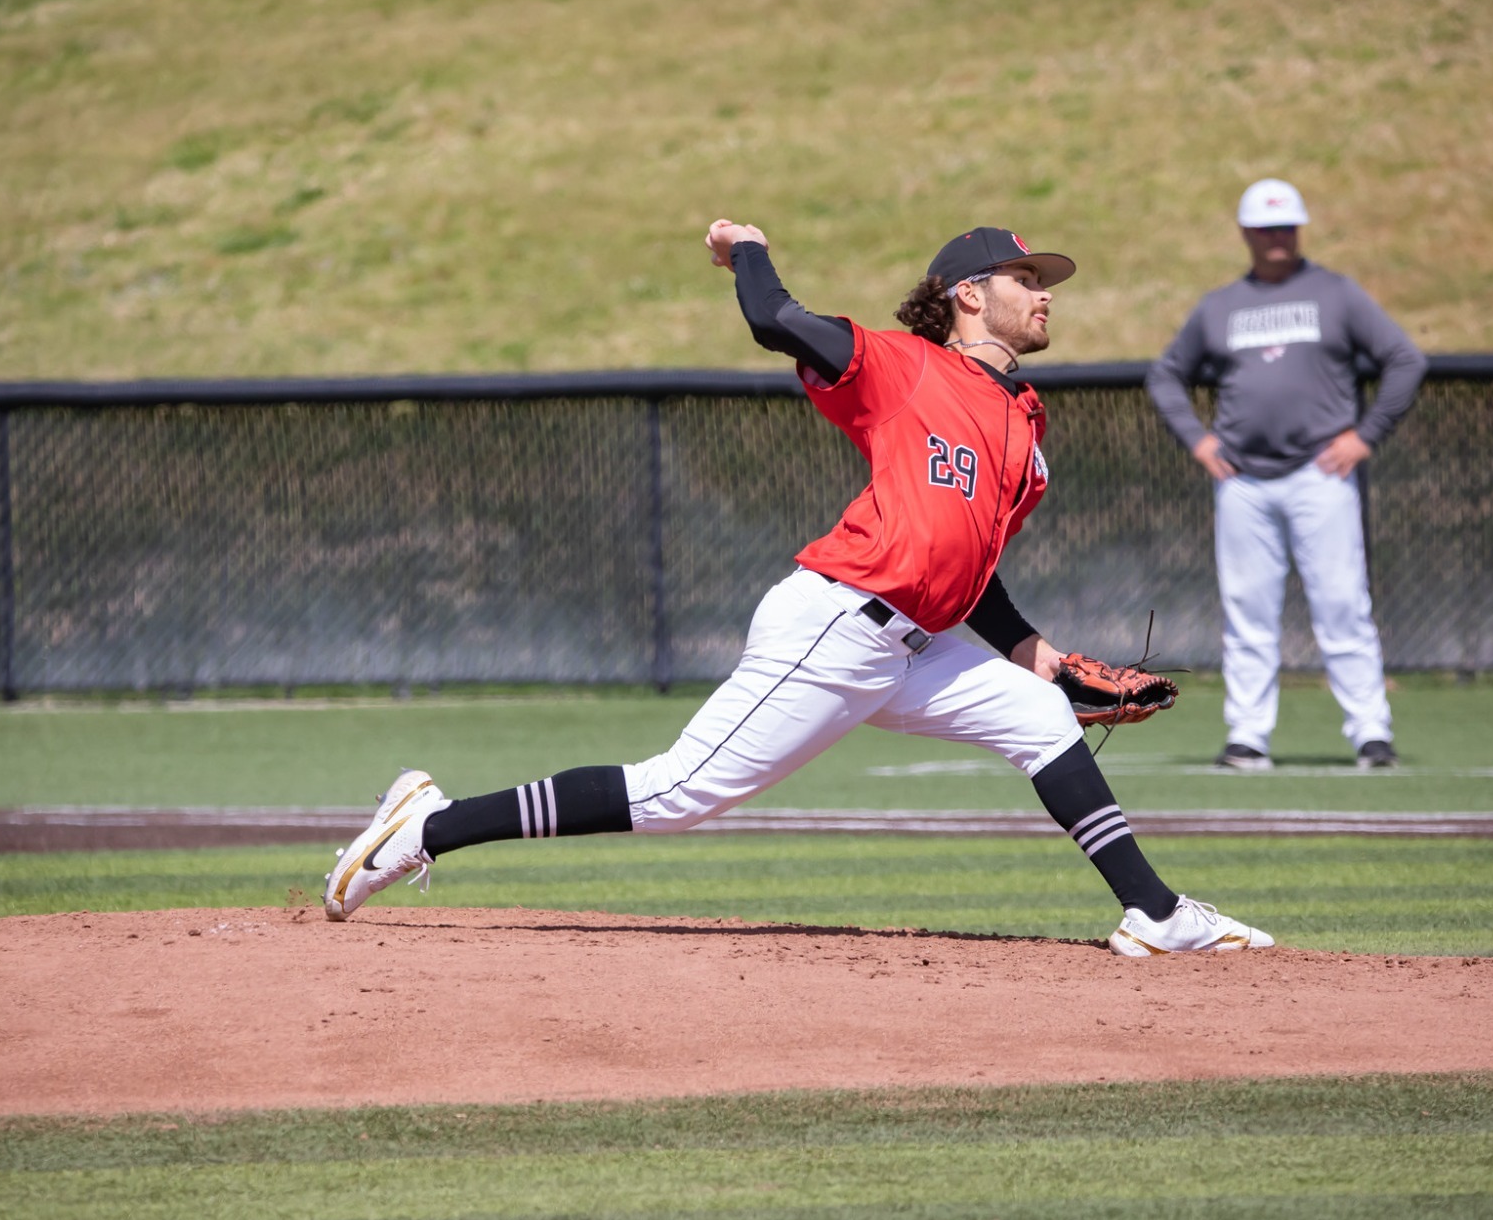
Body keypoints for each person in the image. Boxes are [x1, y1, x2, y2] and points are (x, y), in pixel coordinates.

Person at [323, 220, 1273, 956]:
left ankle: (1156, 914)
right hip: (839, 624)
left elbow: (965, 570)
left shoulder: (1023, 425)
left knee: (1043, 720)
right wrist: (750, 248)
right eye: (1029, 280)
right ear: (969, 295)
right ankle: (425, 829)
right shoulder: (903, 367)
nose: (1046, 296)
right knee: (678, 794)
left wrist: (1043, 660)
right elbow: (774, 319)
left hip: (918, 642)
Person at [1147, 179, 1427, 772]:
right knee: (1247, 610)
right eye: (1267, 228)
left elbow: (1405, 359)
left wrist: (1365, 434)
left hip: (1318, 476)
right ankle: (1248, 737)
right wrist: (1198, 440)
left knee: (1342, 604)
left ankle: (1371, 734)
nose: (1278, 238)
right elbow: (1167, 374)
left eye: (1287, 227)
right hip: (1244, 481)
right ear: (1246, 233)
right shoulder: (1219, 306)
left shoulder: (1336, 294)